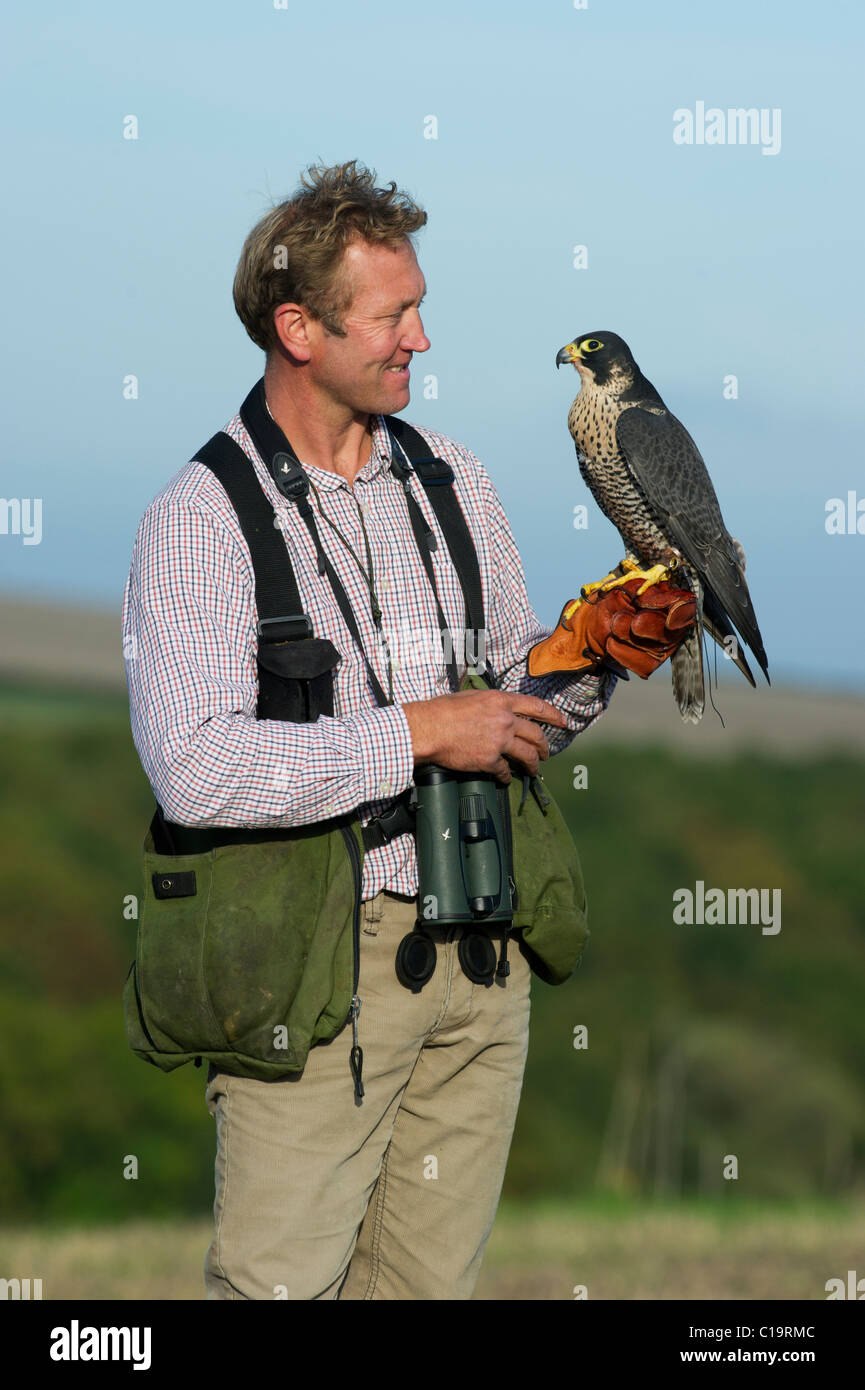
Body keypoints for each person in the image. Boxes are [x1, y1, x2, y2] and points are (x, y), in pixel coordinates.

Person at [121, 160, 688, 1301]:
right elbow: (194, 769)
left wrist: (594, 652)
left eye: (419, 308)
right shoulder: (201, 518)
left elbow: (512, 713)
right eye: (394, 315)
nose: (421, 340)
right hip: (312, 973)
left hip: (484, 960)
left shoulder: (456, 482)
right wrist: (417, 733)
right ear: (298, 328)